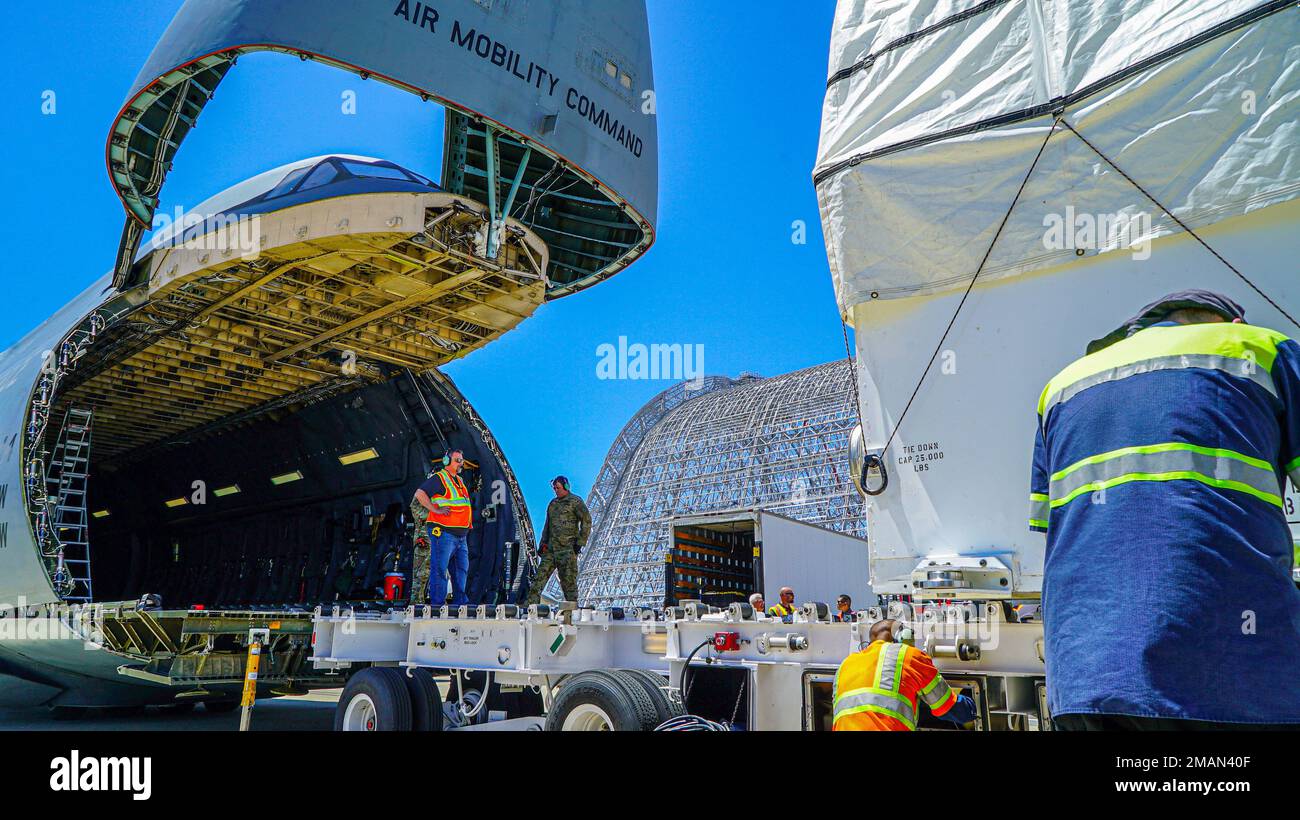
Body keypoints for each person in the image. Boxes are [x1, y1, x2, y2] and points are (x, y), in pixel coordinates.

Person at [1031, 290, 1300, 729]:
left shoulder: (1061, 388)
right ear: (1233, 324)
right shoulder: (1259, 349)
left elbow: (1059, 532)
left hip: (1084, 680)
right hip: (1230, 679)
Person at [833, 619, 976, 731]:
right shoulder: (907, 655)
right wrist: (973, 708)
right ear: (902, 636)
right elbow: (947, 707)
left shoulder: (845, 665)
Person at [413, 449, 473, 607]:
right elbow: (420, 494)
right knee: (439, 569)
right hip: (444, 533)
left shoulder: (459, 481)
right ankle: (437, 605)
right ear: (447, 461)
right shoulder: (439, 478)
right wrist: (435, 509)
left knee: (461, 570)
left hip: (461, 535)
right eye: (457, 460)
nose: (461, 463)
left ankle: (460, 605)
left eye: (462, 460)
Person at [526, 476, 591, 605]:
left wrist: (580, 543)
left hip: (567, 551)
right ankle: (531, 608)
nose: (556, 491)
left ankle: (572, 612)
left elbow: (586, 521)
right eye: (554, 488)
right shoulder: (553, 504)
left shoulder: (575, 502)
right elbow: (547, 526)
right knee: (537, 581)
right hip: (551, 550)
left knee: (569, 586)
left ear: (566, 487)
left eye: (558, 488)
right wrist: (543, 544)